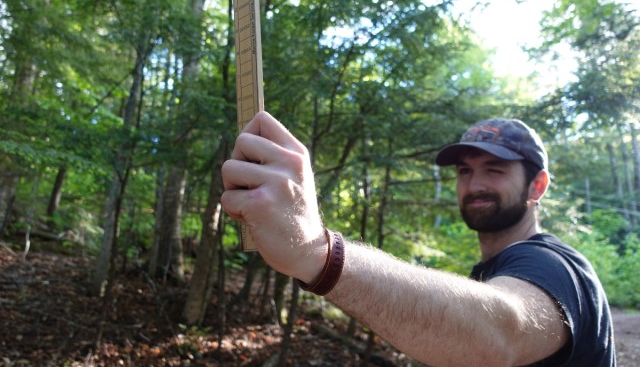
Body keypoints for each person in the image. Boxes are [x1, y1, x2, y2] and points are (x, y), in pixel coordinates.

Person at [221, 112, 616, 366]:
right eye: (464, 171)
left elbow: (503, 334)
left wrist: (318, 253)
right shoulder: (496, 272)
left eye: (495, 170)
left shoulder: (554, 265)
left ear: (538, 185)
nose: (475, 184)